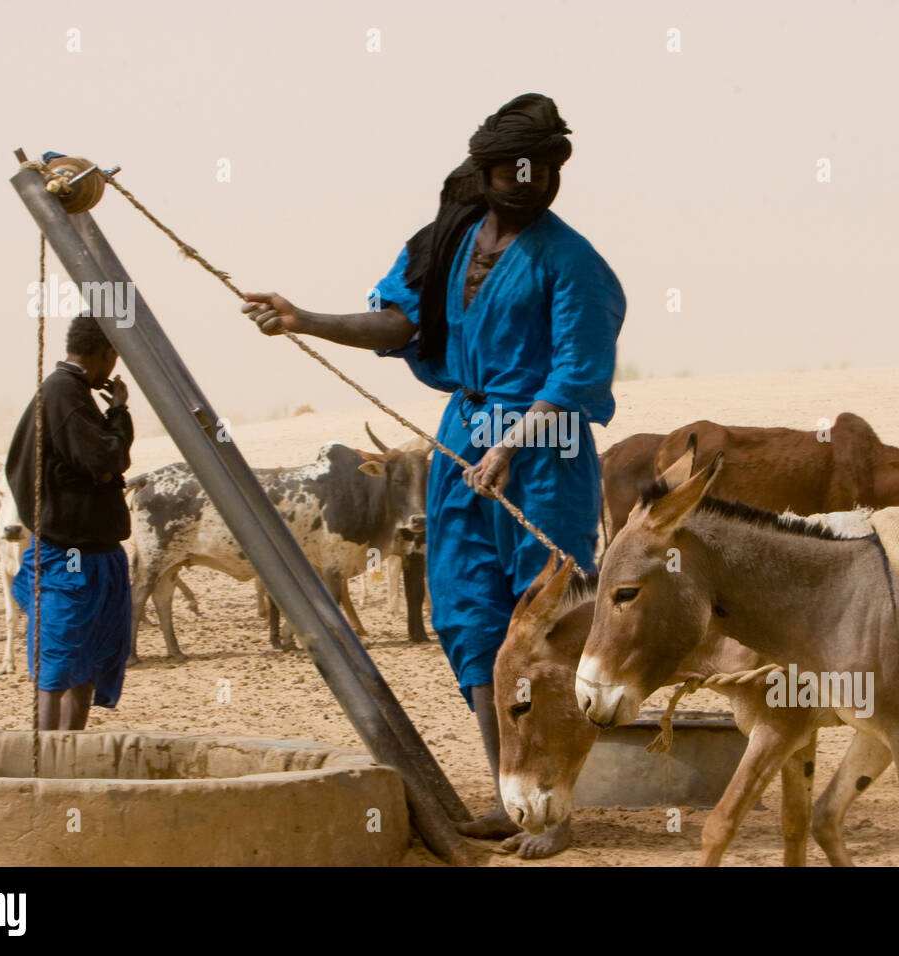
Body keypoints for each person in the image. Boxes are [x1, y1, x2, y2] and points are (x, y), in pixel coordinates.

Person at [243, 93, 625, 856]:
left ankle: (556, 812)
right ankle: (511, 798)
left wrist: (510, 446)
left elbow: (578, 377)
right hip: (462, 447)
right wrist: (305, 320)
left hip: (542, 457)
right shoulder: (448, 244)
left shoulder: (575, 264)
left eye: (546, 169)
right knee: (470, 623)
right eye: (519, 168)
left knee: (544, 631)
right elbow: (401, 322)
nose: (534, 181)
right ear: (487, 171)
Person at [6, 312, 134, 731]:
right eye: (114, 356)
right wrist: (118, 413)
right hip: (73, 555)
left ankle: (69, 752)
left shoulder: (70, 393)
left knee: (89, 658)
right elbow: (104, 459)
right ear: (106, 353)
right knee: (61, 660)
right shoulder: (64, 393)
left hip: (93, 554)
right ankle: (50, 756)